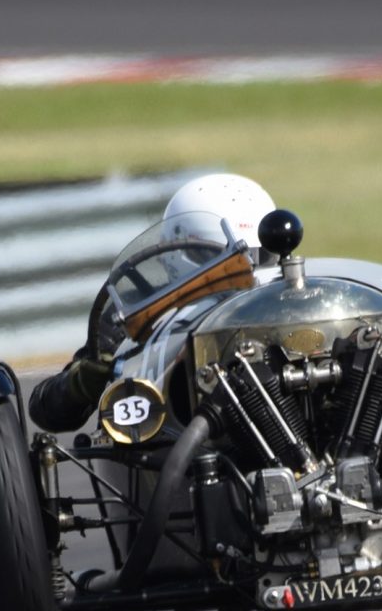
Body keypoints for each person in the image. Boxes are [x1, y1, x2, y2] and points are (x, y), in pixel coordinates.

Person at [29, 173, 277, 432]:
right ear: (176, 249)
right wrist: (81, 383)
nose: (243, 270)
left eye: (257, 255)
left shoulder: (293, 300)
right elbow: (47, 411)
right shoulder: (136, 313)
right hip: (165, 449)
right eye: (222, 259)